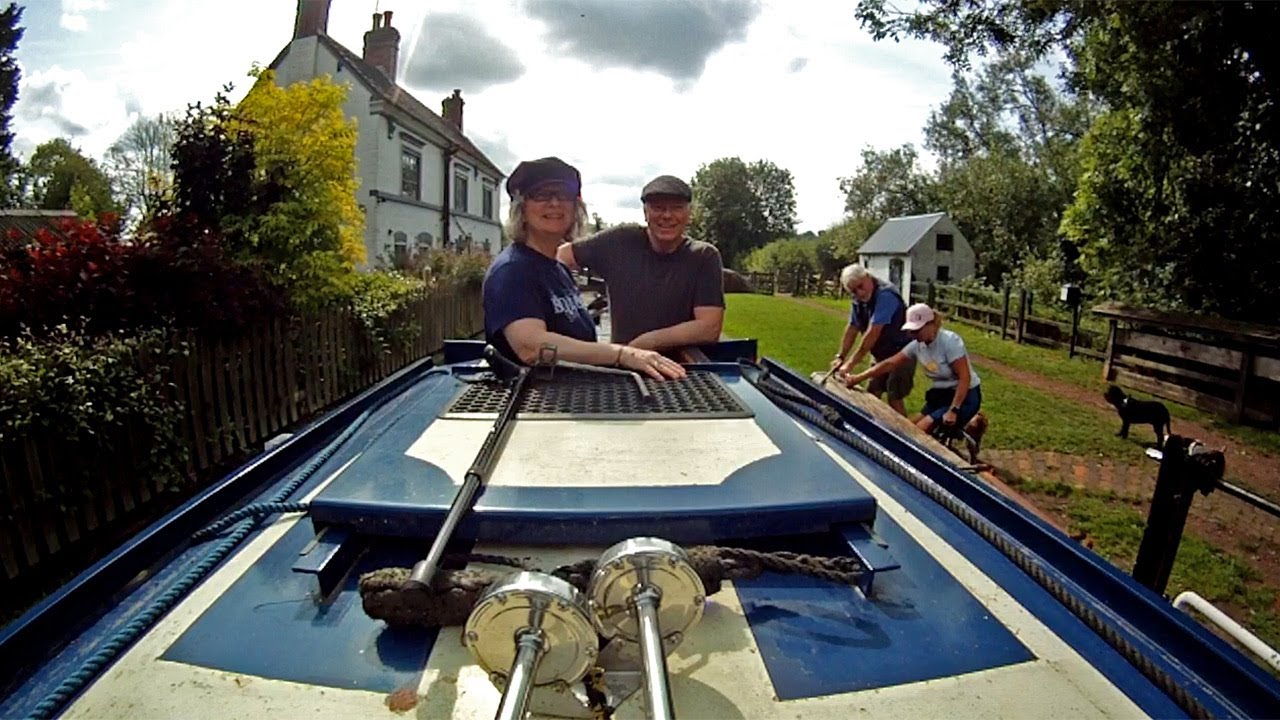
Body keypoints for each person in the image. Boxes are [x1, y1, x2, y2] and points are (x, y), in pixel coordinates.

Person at [482, 157, 685, 381]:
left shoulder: (559, 270)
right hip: (532, 406)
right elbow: (531, 347)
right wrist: (621, 354)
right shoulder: (513, 270)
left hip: (571, 396)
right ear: (522, 207)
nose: (555, 203)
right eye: (541, 195)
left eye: (564, 196)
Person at [555, 175, 724, 353]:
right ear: (645, 213)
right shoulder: (620, 241)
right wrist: (562, 304)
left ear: (689, 214)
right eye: (658, 208)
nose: (667, 215)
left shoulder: (703, 256)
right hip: (624, 367)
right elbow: (561, 256)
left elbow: (709, 327)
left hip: (684, 370)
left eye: (677, 208)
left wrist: (647, 343)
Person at [844, 303, 982, 435]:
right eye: (911, 331)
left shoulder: (950, 342)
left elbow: (965, 377)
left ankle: (970, 424)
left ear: (931, 325)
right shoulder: (916, 345)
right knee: (908, 427)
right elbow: (890, 363)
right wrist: (857, 378)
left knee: (922, 428)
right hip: (941, 395)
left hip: (965, 397)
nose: (913, 335)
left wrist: (954, 410)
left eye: (917, 330)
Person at [830, 264, 915, 416]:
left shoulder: (886, 295)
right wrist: (840, 356)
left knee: (894, 396)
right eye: (854, 291)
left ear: (867, 277)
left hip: (902, 351)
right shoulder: (858, 299)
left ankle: (907, 437)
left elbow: (873, 333)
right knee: (872, 392)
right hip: (880, 352)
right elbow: (852, 327)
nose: (859, 293)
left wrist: (850, 364)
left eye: (860, 287)